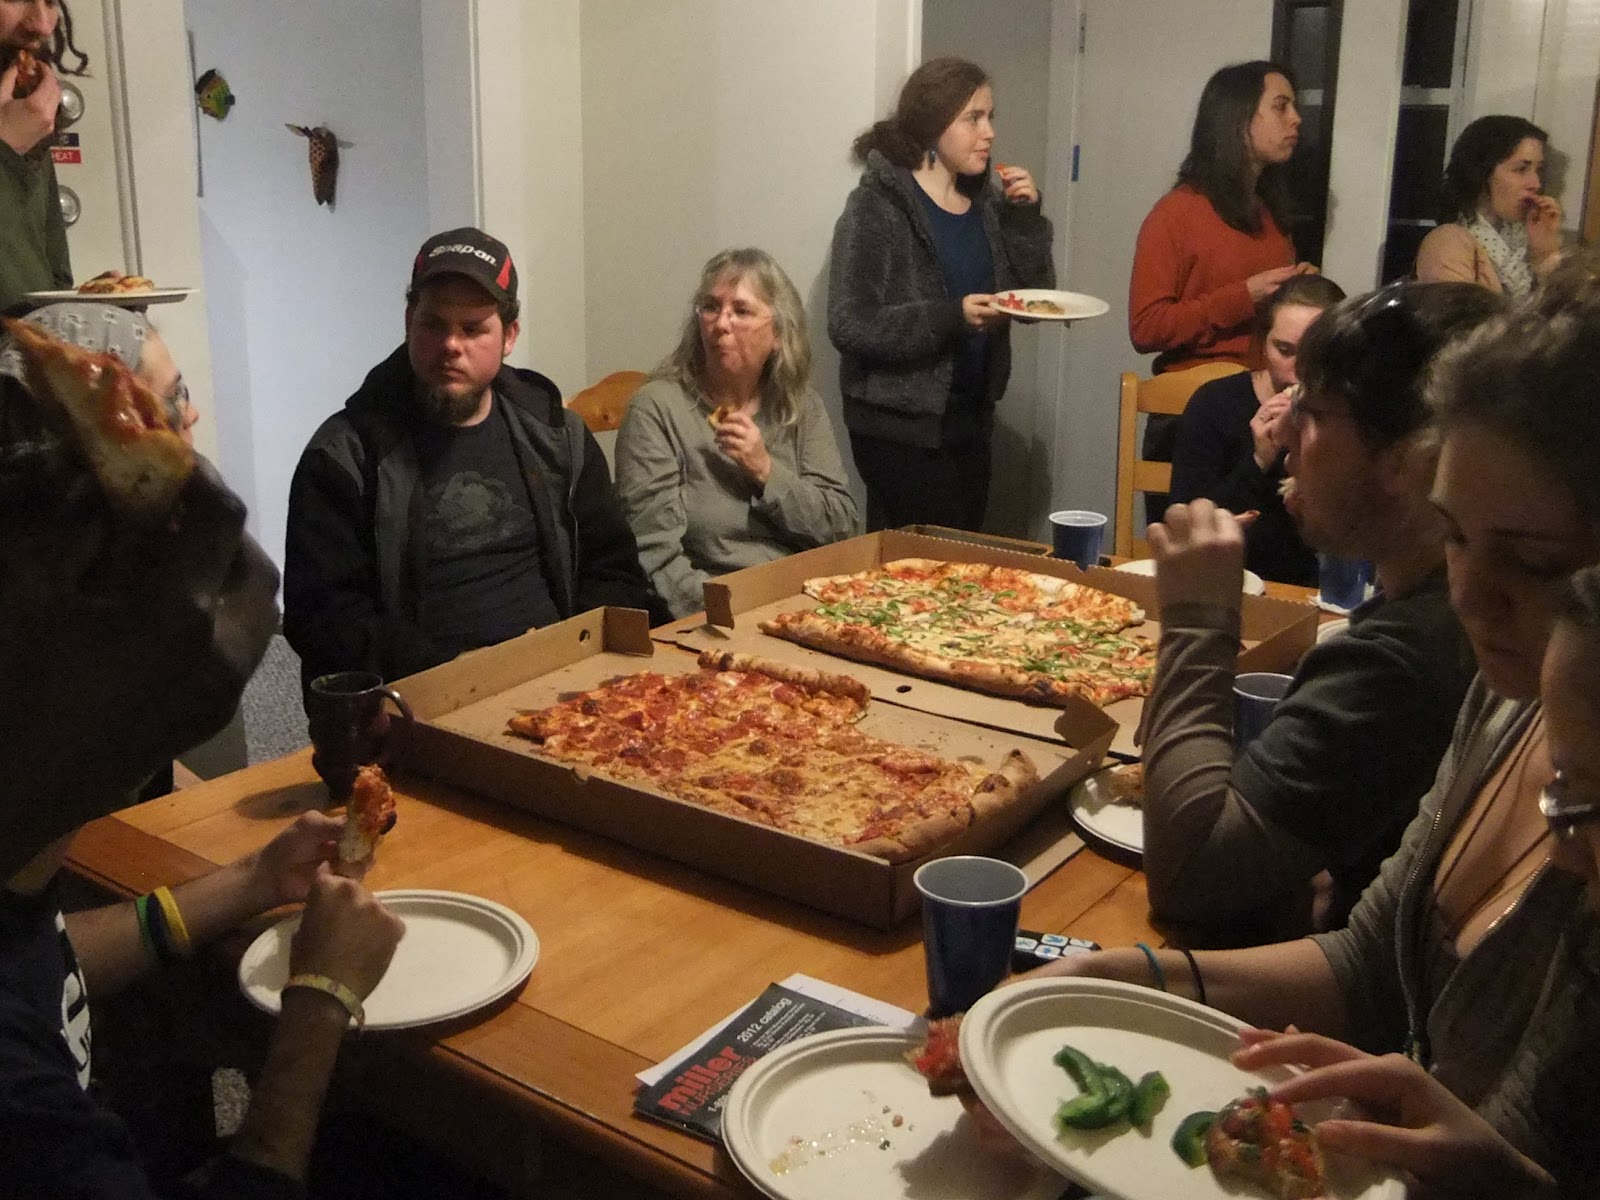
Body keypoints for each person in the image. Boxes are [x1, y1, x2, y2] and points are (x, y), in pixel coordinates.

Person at [1039, 262, 1600, 1195]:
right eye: (1456, 534)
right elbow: (1376, 960)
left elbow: (1202, 872)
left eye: (1532, 562)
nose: (1468, 594)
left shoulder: (1437, 659)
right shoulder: (1505, 693)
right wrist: (1139, 978)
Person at [0, 318, 406, 1197]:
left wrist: (251, 879)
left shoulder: (19, 855)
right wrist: (320, 1001)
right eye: (157, 411)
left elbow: (41, 955)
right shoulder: (24, 1120)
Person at [1136, 281, 1497, 947]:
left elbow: (1190, 879)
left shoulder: (1403, 655)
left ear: (1402, 462)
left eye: (1310, 412)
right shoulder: (1435, 604)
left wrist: (1196, 619)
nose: (1284, 434)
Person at [284, 227, 658, 689]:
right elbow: (323, 618)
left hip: (565, 678)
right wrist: (459, 668)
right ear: (408, 322)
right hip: (422, 694)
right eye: (433, 324)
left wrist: (576, 655)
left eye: (473, 328)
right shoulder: (345, 456)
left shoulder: (559, 436)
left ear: (509, 336)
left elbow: (613, 568)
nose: (451, 346)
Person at [828, 56, 1055, 532]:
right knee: (935, 571)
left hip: (970, 421)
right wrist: (950, 317)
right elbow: (851, 323)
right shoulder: (877, 205)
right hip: (897, 429)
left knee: (959, 568)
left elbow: (1037, 303)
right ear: (933, 125)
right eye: (973, 118)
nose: (989, 132)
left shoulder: (989, 205)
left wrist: (1025, 219)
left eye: (991, 117)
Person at [614, 248, 858, 619]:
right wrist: (726, 613)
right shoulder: (657, 409)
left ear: (778, 333)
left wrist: (765, 471)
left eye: (741, 311)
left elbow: (841, 527)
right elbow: (653, 556)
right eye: (710, 307)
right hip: (712, 612)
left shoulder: (801, 407)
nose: (721, 323)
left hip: (804, 601)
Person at [1128, 61, 1315, 518]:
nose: (1296, 119)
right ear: (1238, 119)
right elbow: (1145, 328)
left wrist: (1300, 292)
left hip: (1269, 406)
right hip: (1195, 418)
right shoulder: (1176, 214)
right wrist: (1243, 295)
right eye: (1281, 106)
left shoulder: (1270, 215)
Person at [1169, 272, 1344, 585]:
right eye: (1285, 350)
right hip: (1221, 581)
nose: (1297, 372)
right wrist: (1259, 461)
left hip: (1307, 589)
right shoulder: (1215, 403)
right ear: (1263, 342)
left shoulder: (1346, 414)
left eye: (1314, 354)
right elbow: (1185, 528)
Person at [0, 0, 89, 312]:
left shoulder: (20, 110)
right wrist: (5, 145)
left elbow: (53, 283)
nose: (42, 24)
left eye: (51, 1)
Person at [1415, 115, 1562, 298]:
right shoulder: (1448, 242)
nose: (1535, 183)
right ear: (1482, 173)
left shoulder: (1525, 241)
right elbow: (1459, 323)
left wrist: (1545, 255)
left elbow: (1565, 314)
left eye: (1538, 169)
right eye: (1521, 169)